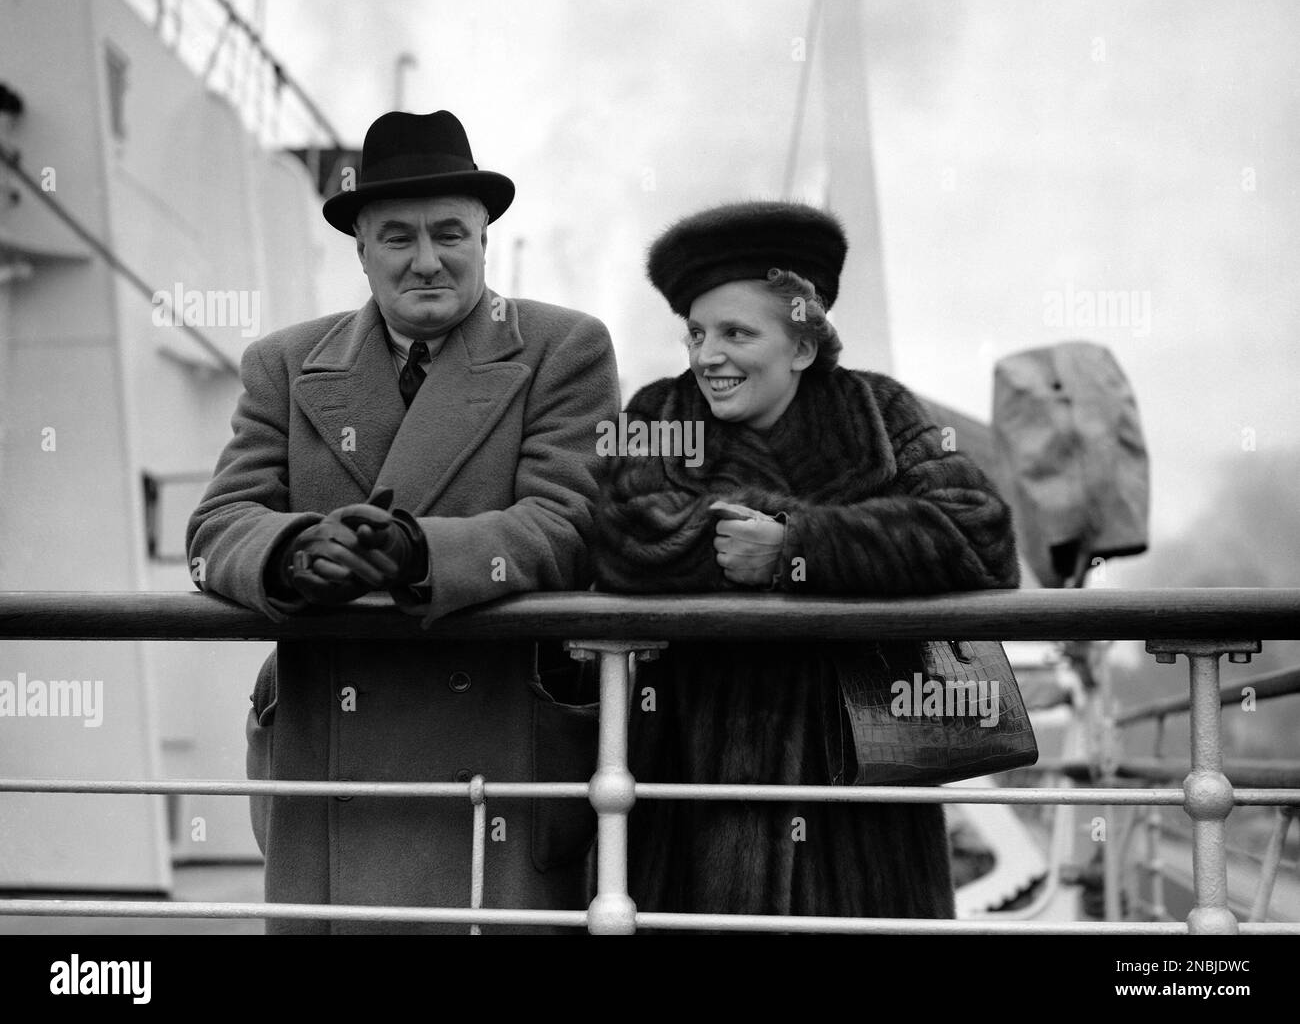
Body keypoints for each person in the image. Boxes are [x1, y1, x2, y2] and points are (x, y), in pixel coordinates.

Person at [187, 110, 620, 934]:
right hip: (327, 751)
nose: (427, 260)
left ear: (484, 236)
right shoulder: (283, 363)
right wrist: (290, 552)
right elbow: (218, 525)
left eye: (449, 232)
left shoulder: (564, 349)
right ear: (361, 252)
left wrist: (421, 553)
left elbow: (569, 522)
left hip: (494, 756)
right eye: (397, 238)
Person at [593, 201, 1019, 921]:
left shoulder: (881, 411)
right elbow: (623, 532)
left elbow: (979, 534)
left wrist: (797, 544)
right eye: (697, 332)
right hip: (694, 766)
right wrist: (844, 539)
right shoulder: (658, 416)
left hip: (860, 772)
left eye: (735, 333)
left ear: (801, 344)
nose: (706, 357)